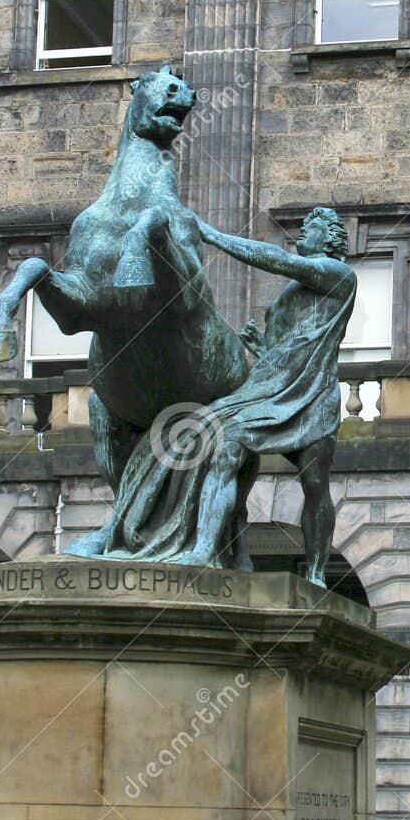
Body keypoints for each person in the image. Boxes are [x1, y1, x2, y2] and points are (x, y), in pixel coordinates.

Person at [95, 206, 356, 585]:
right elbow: (292, 346)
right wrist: (261, 348)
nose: (303, 232)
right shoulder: (293, 293)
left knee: (315, 484)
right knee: (220, 442)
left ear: (329, 239)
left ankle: (316, 574)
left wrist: (212, 235)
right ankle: (204, 548)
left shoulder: (338, 274)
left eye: (311, 227)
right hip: (269, 390)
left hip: (313, 394)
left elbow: (278, 259)